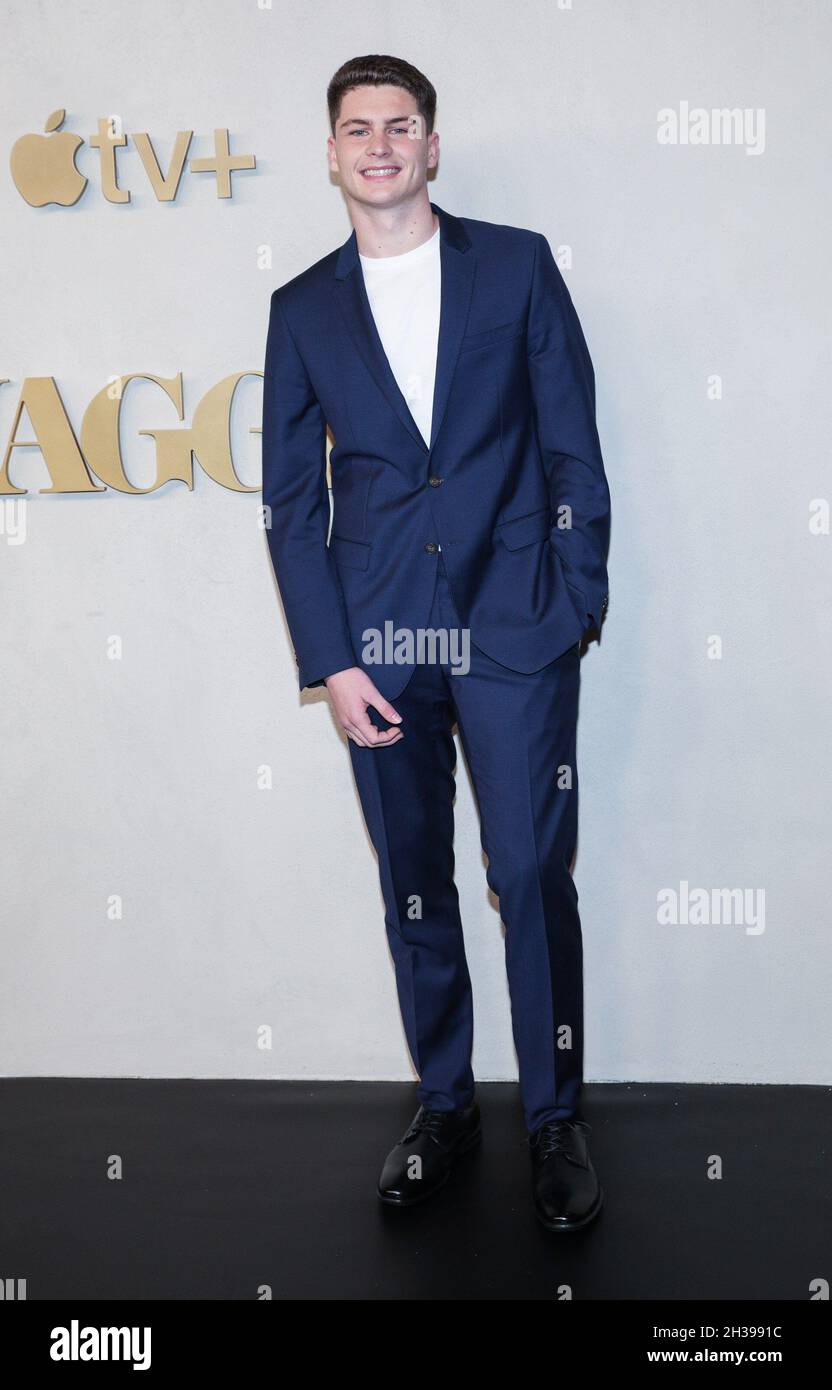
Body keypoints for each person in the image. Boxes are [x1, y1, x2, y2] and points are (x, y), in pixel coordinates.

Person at [262, 54, 611, 1232]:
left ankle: (554, 1119)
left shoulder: (514, 266)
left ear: (431, 145)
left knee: (528, 873)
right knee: (413, 881)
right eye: (357, 128)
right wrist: (332, 658)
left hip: (515, 629)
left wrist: (573, 600)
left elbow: (571, 445)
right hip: (378, 644)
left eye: (399, 124)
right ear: (331, 154)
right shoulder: (302, 308)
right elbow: (290, 503)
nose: (379, 145)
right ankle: (447, 1106)